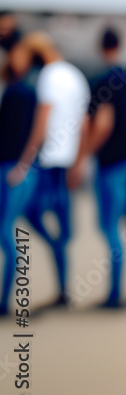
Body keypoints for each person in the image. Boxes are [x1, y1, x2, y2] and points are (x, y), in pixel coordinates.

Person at [72, 28, 126, 308]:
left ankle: (115, 294)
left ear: (101, 48)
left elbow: (103, 124)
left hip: (114, 164)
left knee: (110, 227)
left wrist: (83, 155)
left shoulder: (100, 82)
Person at [18, 33, 90, 308]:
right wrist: (81, 160)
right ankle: (63, 288)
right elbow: (84, 123)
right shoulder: (75, 76)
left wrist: (25, 158)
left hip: (47, 160)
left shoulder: (48, 77)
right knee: (62, 224)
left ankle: (61, 281)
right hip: (67, 160)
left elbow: (43, 119)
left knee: (32, 212)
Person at [0, 40, 38, 316]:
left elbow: (36, 132)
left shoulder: (23, 94)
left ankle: (5, 302)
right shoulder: (13, 92)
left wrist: (24, 165)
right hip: (12, 167)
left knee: (7, 232)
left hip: (15, 169)